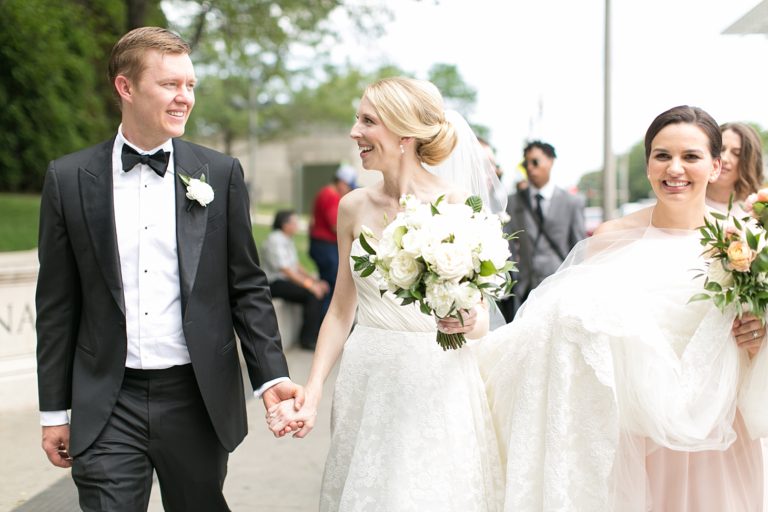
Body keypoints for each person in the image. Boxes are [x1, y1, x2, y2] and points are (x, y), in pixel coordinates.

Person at [35, 27, 302, 511]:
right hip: (106, 400)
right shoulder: (69, 178)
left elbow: (247, 288)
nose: (185, 98)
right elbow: (56, 305)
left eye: (191, 85)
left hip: (196, 396)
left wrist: (270, 378)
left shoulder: (219, 174)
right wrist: (54, 411)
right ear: (126, 87)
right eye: (171, 85)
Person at [480, 105, 767, 510]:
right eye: (662, 155)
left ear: (716, 165)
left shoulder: (745, 243)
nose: (675, 169)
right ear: (648, 162)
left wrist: (760, 336)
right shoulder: (612, 237)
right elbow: (574, 335)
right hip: (634, 442)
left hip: (719, 438)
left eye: (691, 157)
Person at [267, 77, 504, 511]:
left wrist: (467, 321)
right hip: (366, 377)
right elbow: (340, 311)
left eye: (367, 121)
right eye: (357, 119)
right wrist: (314, 390)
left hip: (436, 378)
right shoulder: (352, 206)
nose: (354, 132)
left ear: (404, 135)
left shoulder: (456, 203)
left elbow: (482, 318)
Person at [499, 140, 585, 322]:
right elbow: (506, 247)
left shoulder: (571, 202)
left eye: (535, 162)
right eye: (526, 164)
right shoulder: (513, 202)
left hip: (560, 289)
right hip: (524, 291)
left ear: (550, 161)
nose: (530, 168)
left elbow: (579, 247)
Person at [261, 210, 329, 350]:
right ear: (285, 225)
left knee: (321, 290)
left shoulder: (287, 239)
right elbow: (285, 269)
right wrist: (310, 285)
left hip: (286, 280)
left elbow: (296, 266)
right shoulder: (275, 240)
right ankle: (308, 339)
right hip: (274, 283)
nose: (297, 225)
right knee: (312, 294)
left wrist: (315, 282)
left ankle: (317, 333)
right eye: (294, 222)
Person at [309, 163, 357, 318]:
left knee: (329, 285)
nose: (349, 190)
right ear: (342, 182)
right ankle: (326, 324)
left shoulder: (326, 193)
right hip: (325, 247)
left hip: (322, 246)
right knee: (333, 288)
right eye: (349, 186)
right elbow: (335, 225)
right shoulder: (331, 195)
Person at [706, 122, 764, 216]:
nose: (724, 158)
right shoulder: (685, 199)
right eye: (721, 149)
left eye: (736, 153)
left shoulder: (756, 211)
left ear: (749, 163)